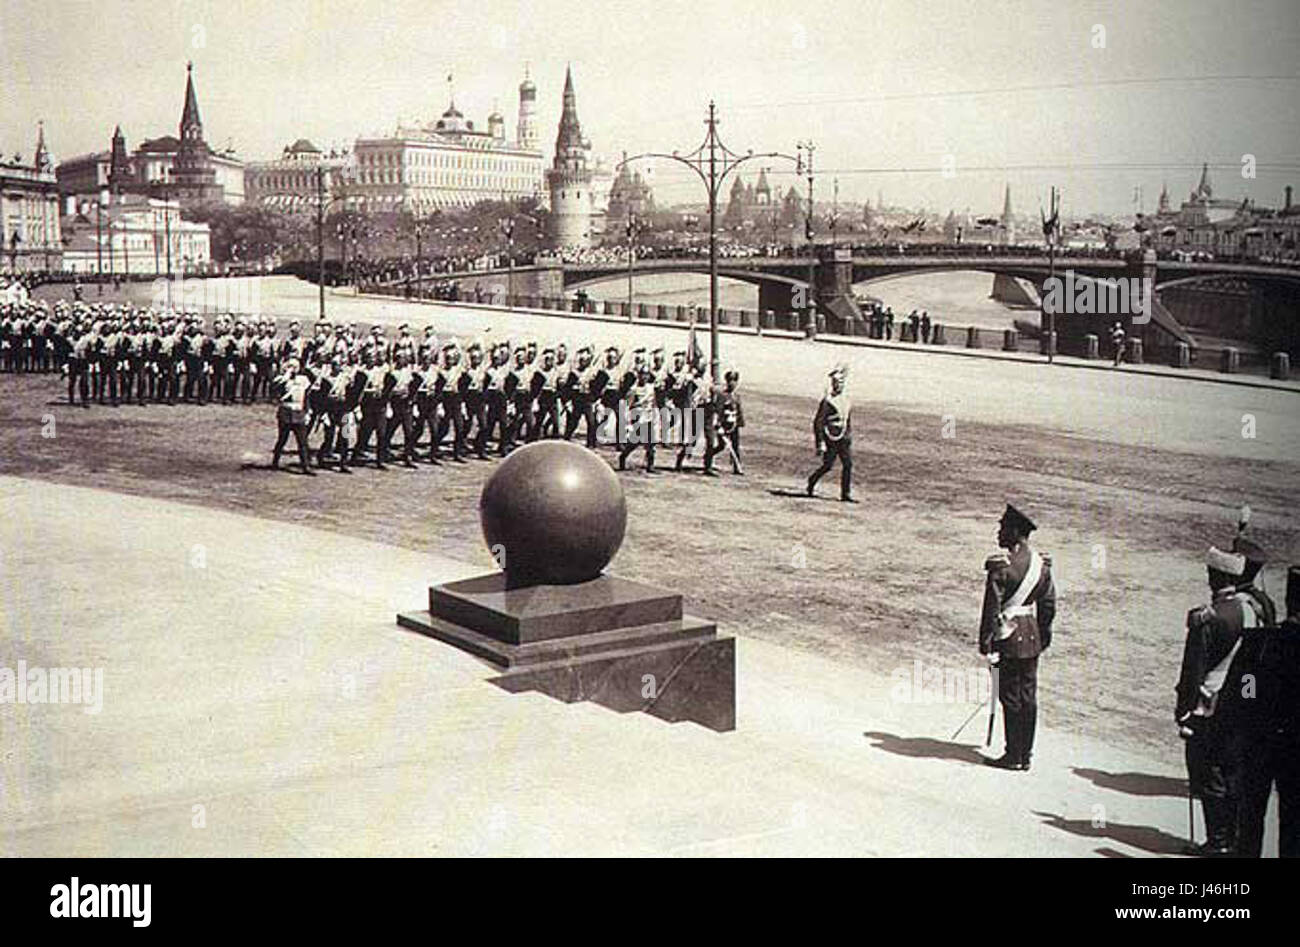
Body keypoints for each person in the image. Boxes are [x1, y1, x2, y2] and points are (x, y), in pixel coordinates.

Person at [1175, 546, 1257, 855]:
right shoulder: (1252, 610)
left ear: (1215, 577)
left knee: (1210, 775)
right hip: (1243, 703)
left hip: (1210, 708)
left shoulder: (1208, 619)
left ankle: (1217, 843)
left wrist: (1184, 712)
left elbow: (1192, 672)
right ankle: (1233, 838)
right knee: (1235, 773)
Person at [1221, 566, 1300, 858]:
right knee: (1294, 822)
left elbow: (1244, 692)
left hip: (1259, 744)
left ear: (1290, 601)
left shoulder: (1259, 644)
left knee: (1251, 817)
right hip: (1295, 749)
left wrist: (1253, 723)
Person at [978, 504, 1056, 771]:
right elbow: (1048, 606)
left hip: (1007, 636)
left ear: (1014, 531)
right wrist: (1043, 635)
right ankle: (1026, 755)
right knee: (1028, 695)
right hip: (1031, 635)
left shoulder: (1002, 566)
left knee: (1010, 696)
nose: (999, 532)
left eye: (1002, 528)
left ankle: (1013, 755)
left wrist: (987, 641)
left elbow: (991, 607)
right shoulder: (1041, 565)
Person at [806, 364, 854, 501]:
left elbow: (847, 419)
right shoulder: (828, 401)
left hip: (843, 437)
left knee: (848, 465)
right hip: (831, 437)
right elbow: (818, 422)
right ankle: (812, 480)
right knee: (828, 465)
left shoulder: (846, 399)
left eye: (842, 383)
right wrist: (820, 443)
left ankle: (845, 494)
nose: (840, 385)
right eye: (837, 383)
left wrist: (848, 435)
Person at [270, 358, 317, 475]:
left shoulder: (304, 379)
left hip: (298, 411)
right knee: (282, 439)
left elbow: (307, 395)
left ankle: (305, 466)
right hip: (286, 411)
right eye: (291, 366)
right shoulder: (281, 379)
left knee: (302, 441)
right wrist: (285, 377)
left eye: (296, 367)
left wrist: (307, 411)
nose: (293, 369)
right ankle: (275, 461)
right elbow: (274, 390)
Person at [703, 369, 744, 475]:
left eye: (735, 381)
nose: (732, 383)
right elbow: (717, 411)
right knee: (721, 445)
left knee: (735, 445)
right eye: (730, 380)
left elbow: (738, 411)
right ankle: (708, 461)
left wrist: (739, 423)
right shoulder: (722, 395)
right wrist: (718, 426)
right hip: (723, 425)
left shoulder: (736, 396)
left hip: (733, 424)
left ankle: (737, 467)